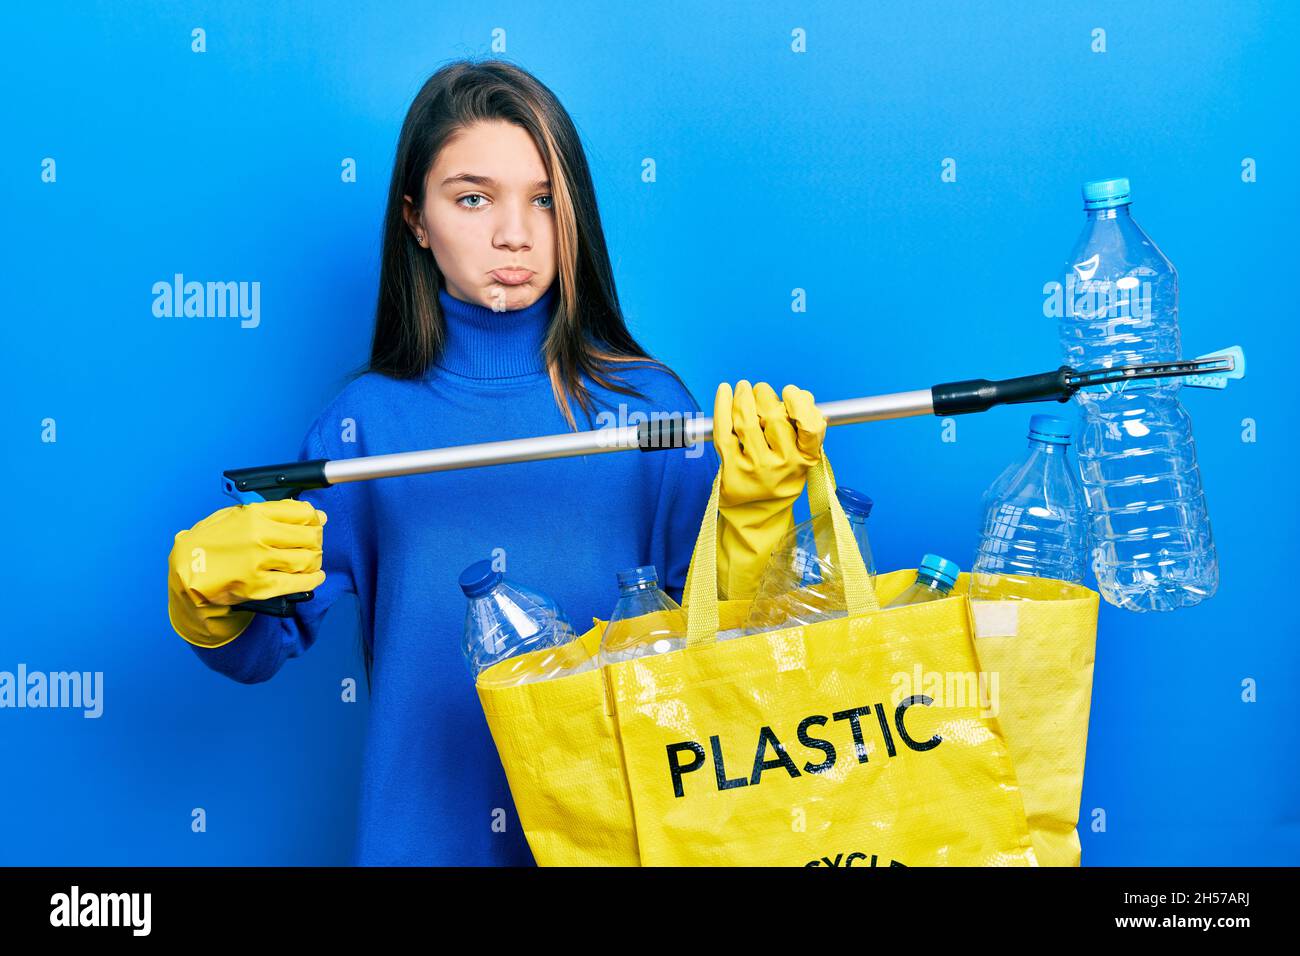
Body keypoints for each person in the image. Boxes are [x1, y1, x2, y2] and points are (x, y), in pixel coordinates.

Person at [166, 59, 826, 865]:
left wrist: (755, 521)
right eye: (473, 198)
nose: (514, 233)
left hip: (627, 840)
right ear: (416, 218)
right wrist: (210, 602)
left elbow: (742, 659)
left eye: (543, 199)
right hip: (423, 842)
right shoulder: (365, 427)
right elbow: (260, 650)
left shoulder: (653, 410)